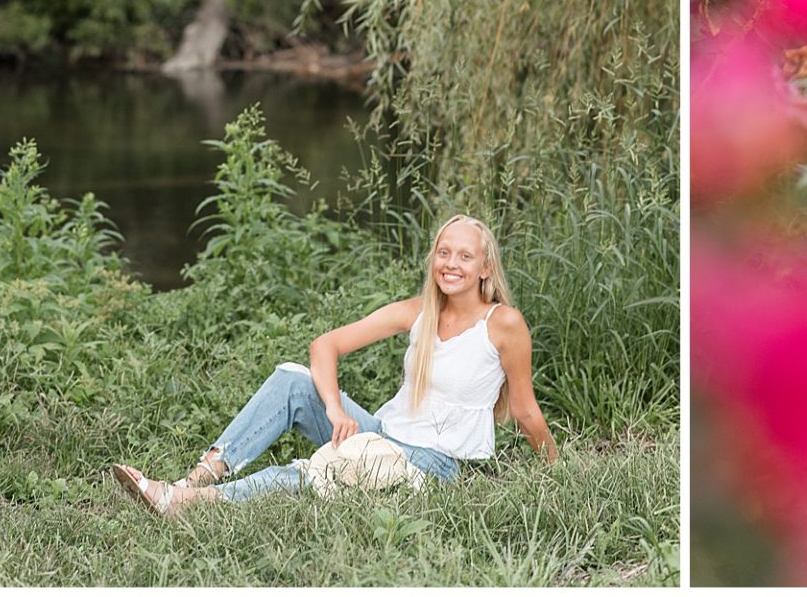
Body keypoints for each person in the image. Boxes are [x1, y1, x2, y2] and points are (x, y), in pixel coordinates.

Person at [112, 214, 558, 515]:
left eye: (465, 256)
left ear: (485, 267)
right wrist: (335, 410)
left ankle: (191, 502)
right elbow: (325, 345)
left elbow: (524, 410)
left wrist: (558, 473)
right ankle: (198, 474)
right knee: (291, 379)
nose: (451, 264)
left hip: (434, 464)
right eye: (444, 253)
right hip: (384, 435)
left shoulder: (504, 324)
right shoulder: (417, 311)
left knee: (324, 467)